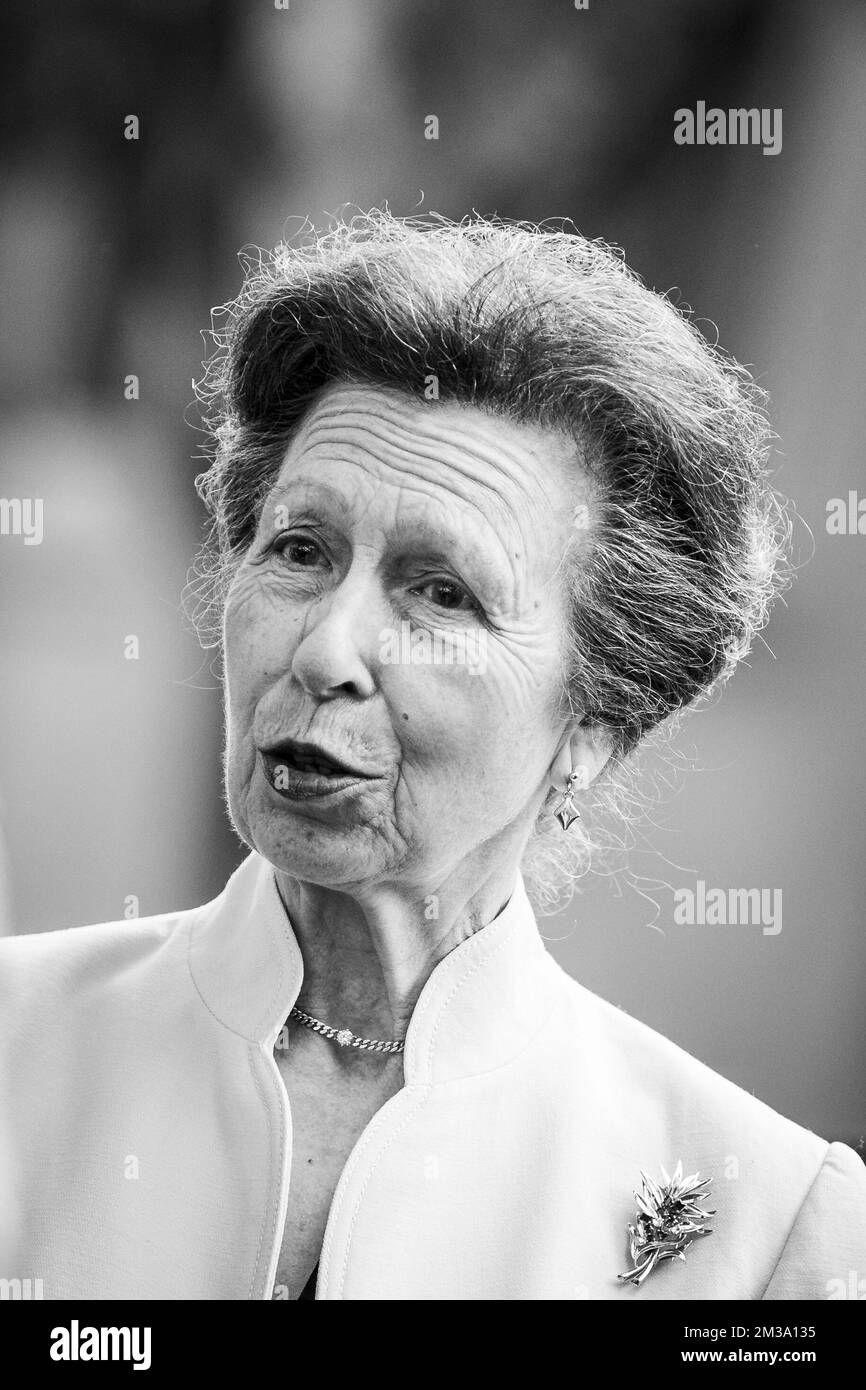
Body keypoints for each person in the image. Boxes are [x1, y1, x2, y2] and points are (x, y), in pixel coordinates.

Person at [1, 212, 863, 1300]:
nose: (324, 650)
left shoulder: (767, 1223)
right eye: (300, 551)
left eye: (440, 592)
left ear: (596, 723)